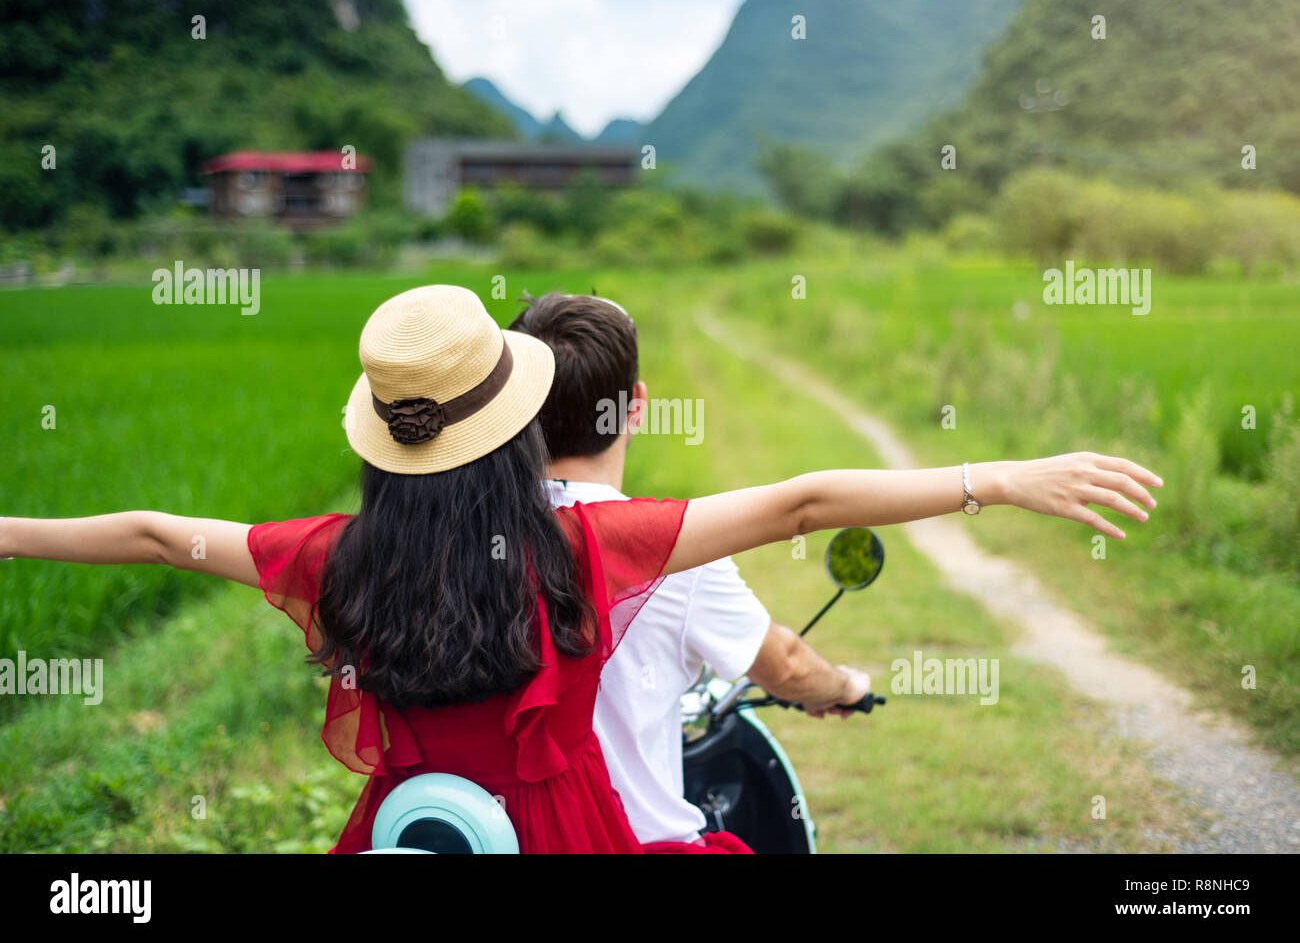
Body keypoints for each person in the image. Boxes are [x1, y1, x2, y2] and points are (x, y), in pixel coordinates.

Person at [0, 284, 1162, 854]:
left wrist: (8, 533)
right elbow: (805, 502)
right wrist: (1000, 476)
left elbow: (156, 533)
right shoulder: (585, 546)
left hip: (413, 828)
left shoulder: (337, 556)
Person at [510, 291, 871, 847]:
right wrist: (845, 685)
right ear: (637, 406)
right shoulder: (671, 554)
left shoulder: (457, 540)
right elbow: (789, 666)